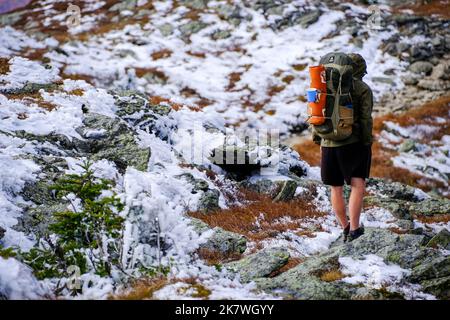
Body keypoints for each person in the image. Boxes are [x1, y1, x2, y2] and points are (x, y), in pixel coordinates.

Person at [313, 53, 373, 242]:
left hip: (328, 143)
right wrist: (366, 141)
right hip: (353, 144)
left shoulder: (325, 85)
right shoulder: (362, 88)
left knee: (335, 188)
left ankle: (345, 228)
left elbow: (317, 113)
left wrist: (319, 139)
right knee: (357, 185)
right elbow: (365, 119)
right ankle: (355, 229)